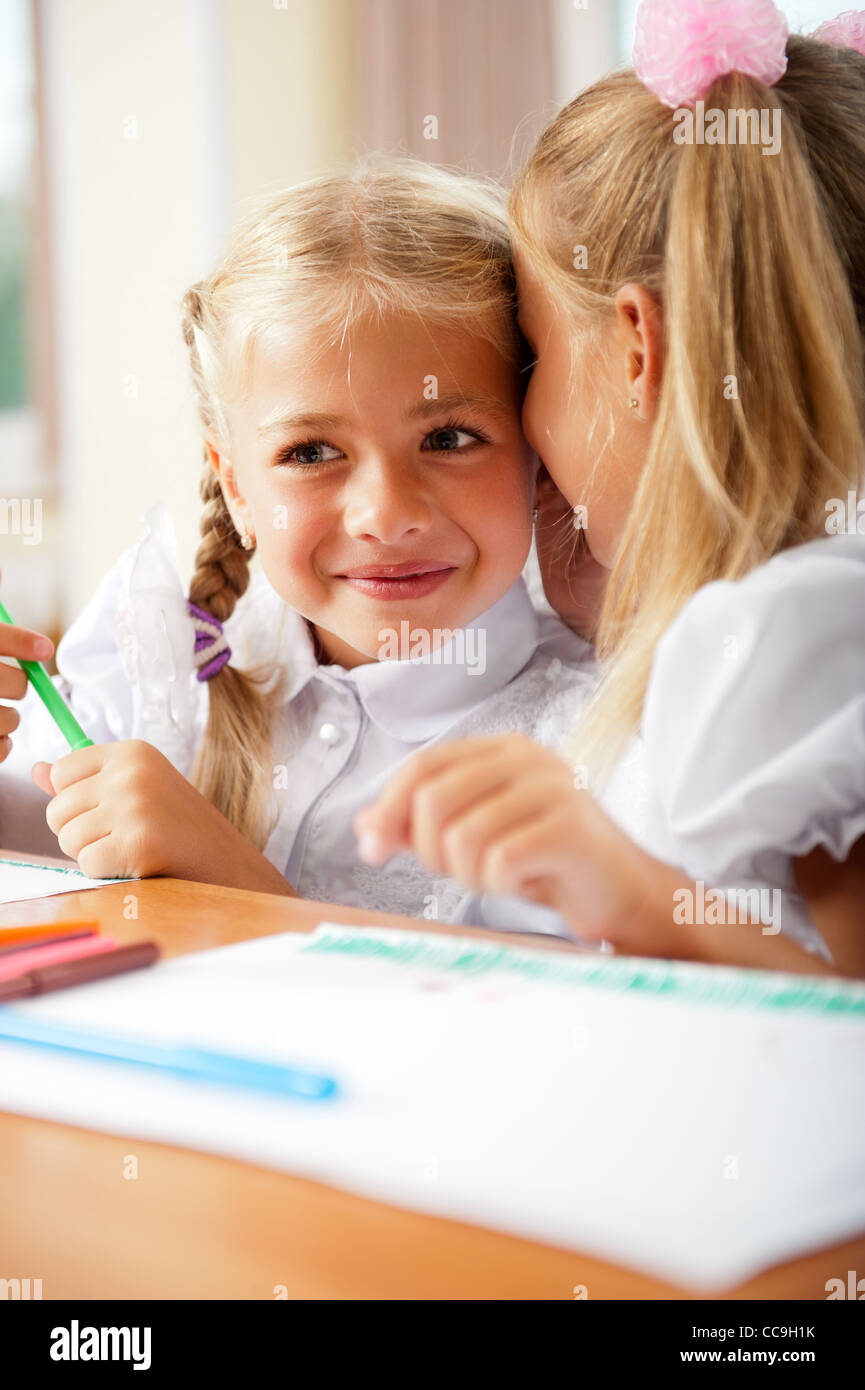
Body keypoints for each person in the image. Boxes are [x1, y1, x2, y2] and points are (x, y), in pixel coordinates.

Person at [355, 6, 865, 976]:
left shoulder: (792, 636)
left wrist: (628, 889)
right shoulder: (786, 604)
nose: (528, 429)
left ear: (636, 347)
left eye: (537, 356)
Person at [0, 158, 593, 935]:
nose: (385, 515)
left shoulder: (593, 739)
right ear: (237, 487)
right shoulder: (155, 654)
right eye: (311, 452)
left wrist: (233, 882)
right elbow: (56, 840)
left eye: (448, 438)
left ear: (538, 454)